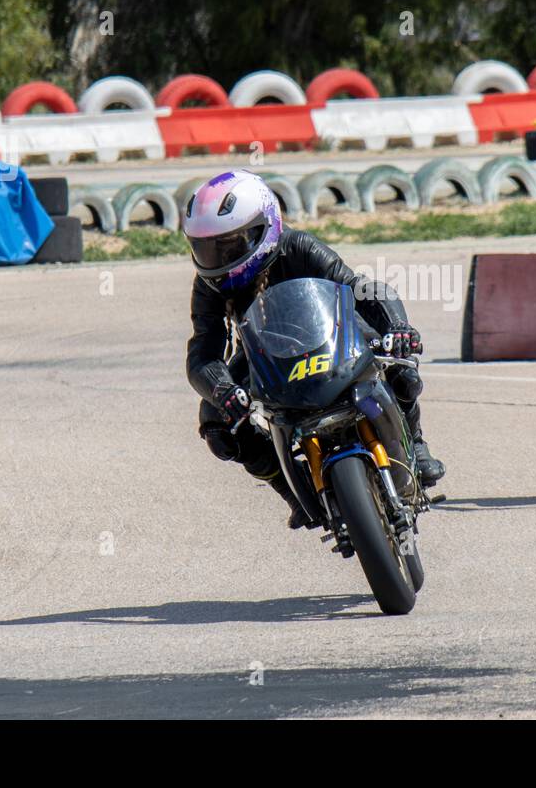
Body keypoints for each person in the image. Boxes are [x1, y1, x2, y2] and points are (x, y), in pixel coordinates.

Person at [184, 169, 446, 528]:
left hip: (331, 327)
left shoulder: (298, 246)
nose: (218, 259)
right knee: (217, 426)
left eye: (230, 245)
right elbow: (202, 352)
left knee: (400, 367)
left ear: (265, 226)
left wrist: (398, 328)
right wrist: (223, 390)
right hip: (263, 352)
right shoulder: (208, 287)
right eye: (206, 248)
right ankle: (293, 492)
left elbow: (360, 287)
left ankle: (415, 444)